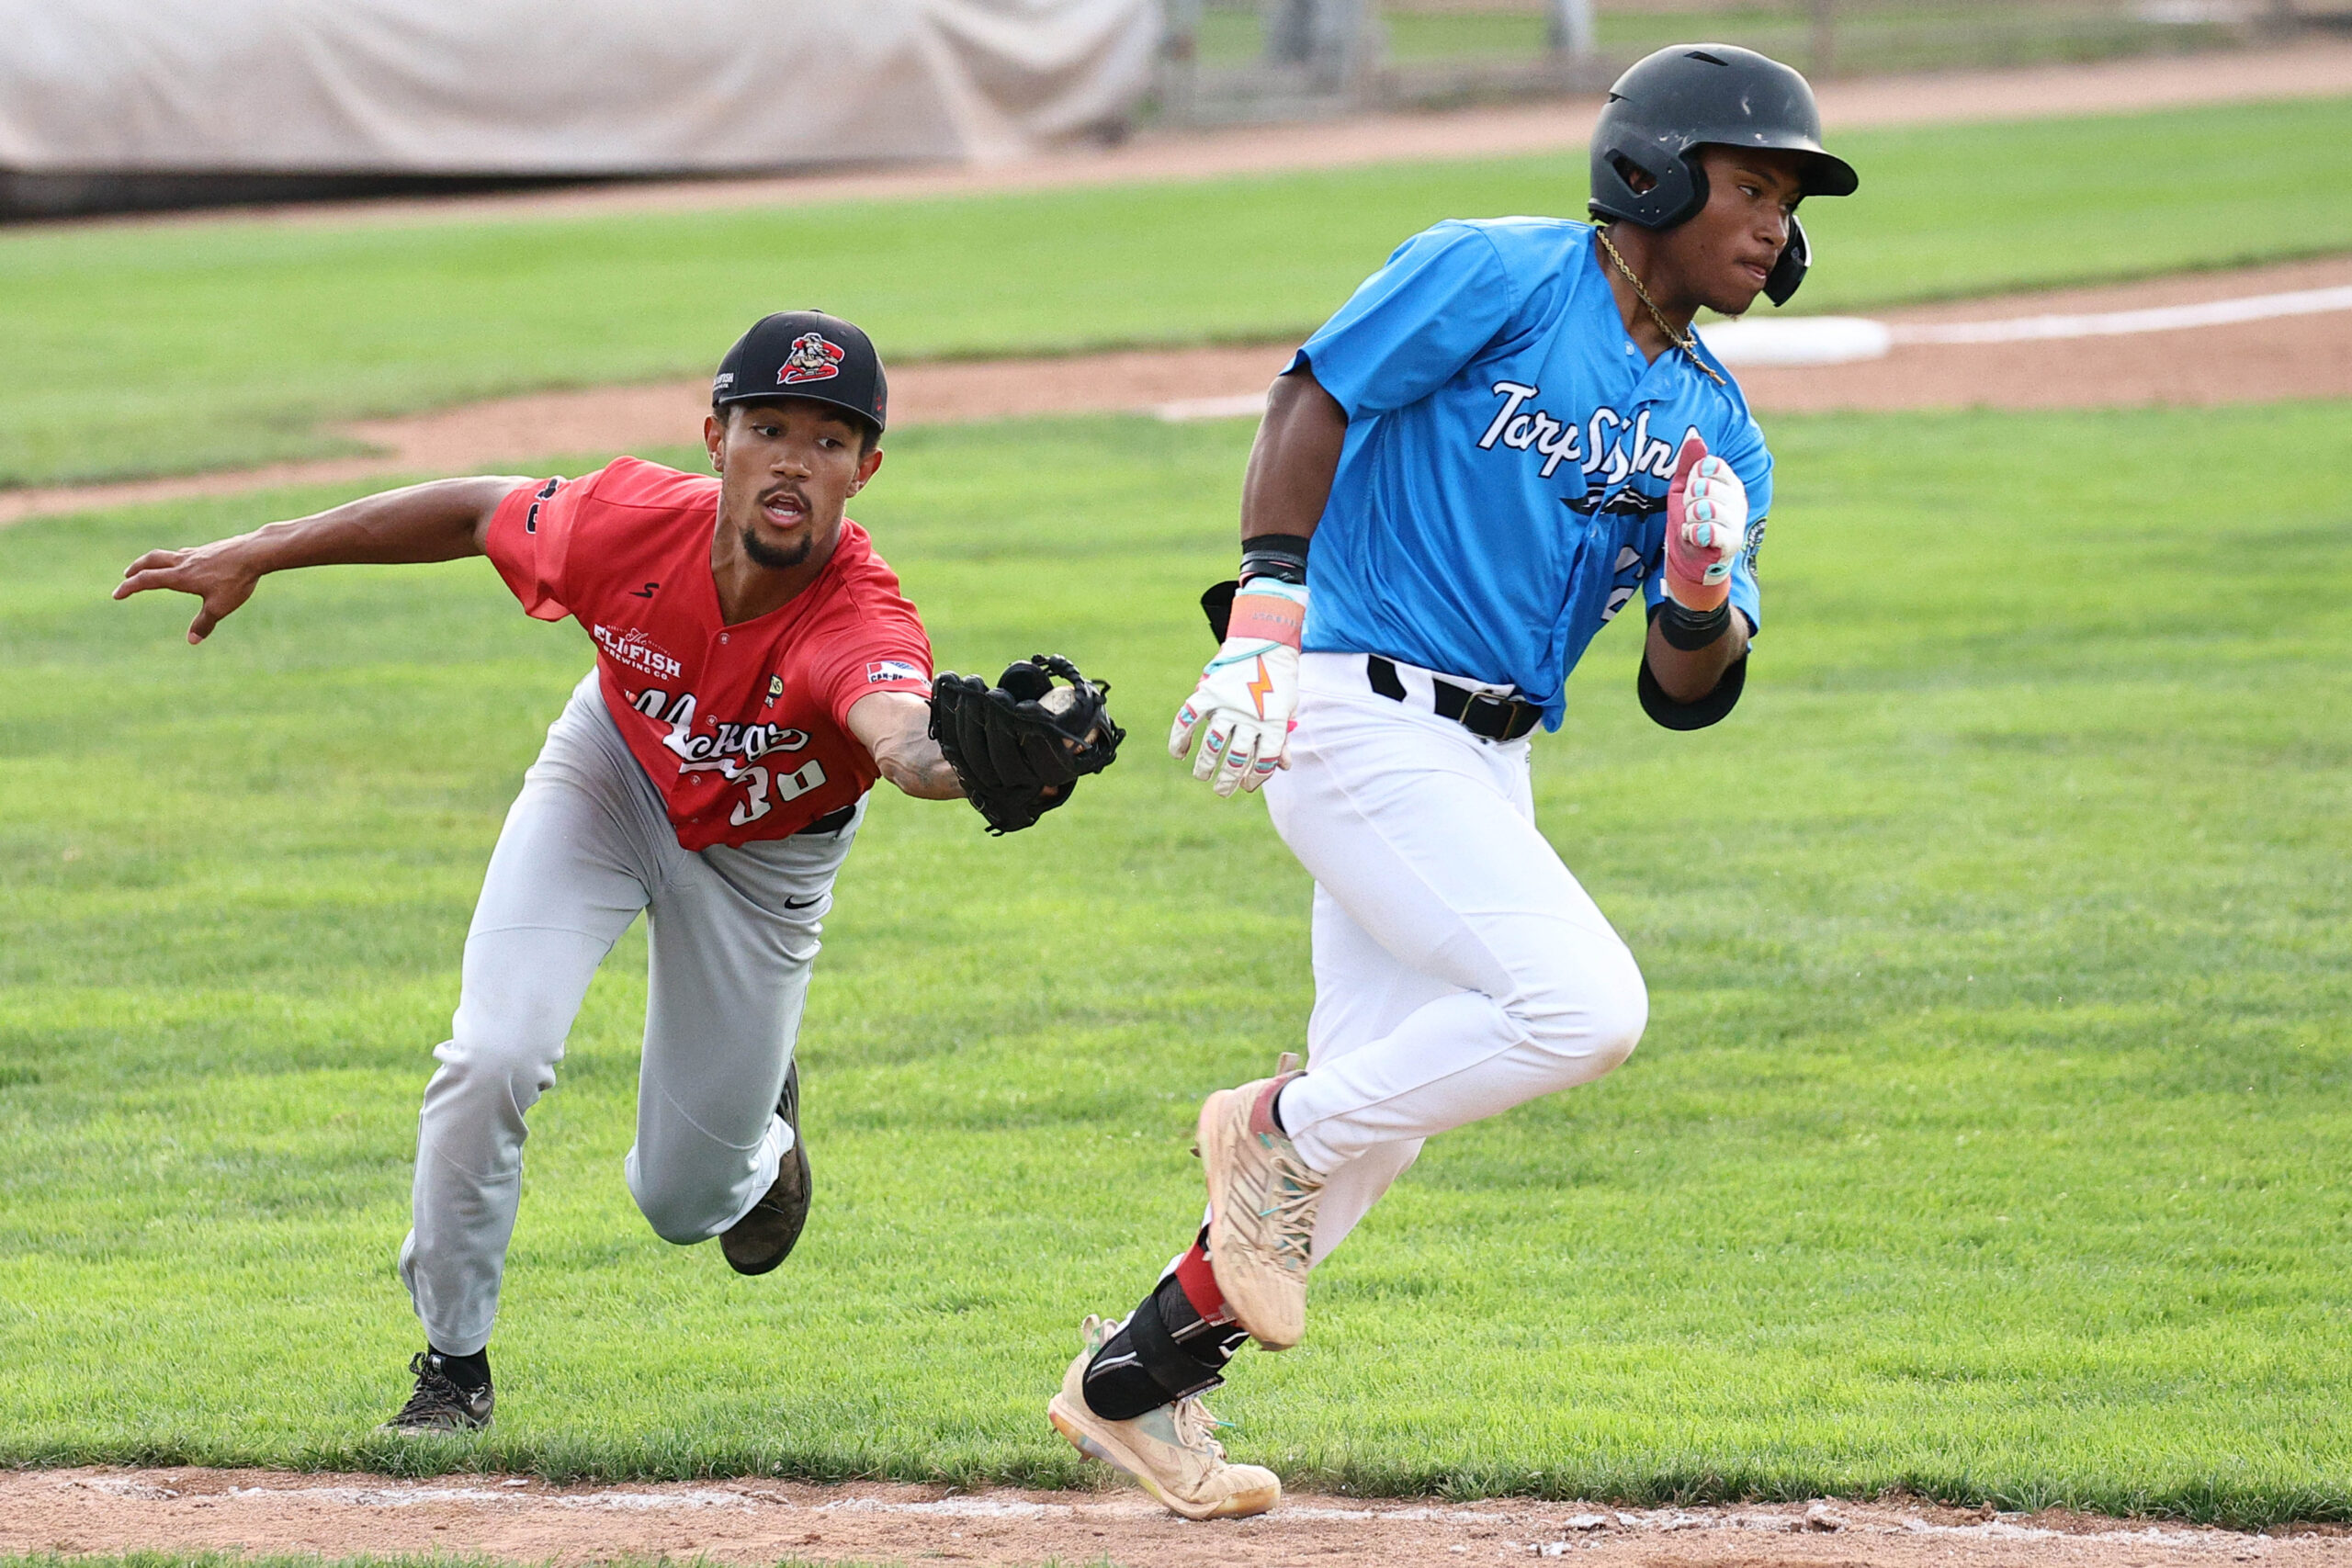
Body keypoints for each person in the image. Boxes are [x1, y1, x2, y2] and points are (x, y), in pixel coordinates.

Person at [1043, 45, 1858, 1519]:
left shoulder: (1721, 427)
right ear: (1650, 177)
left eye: (1786, 202)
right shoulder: (1496, 272)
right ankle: (1271, 1125)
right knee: (1583, 1007)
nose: (1771, 225)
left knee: (1390, 1109)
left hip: (1490, 759)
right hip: (1356, 714)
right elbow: (1313, 399)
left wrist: (1694, 590)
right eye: (1747, 185)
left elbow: (1690, 693)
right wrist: (1264, 631)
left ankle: (1136, 1378)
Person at [115, 311, 1043, 1433]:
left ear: (867, 469)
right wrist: (262, 547)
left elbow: (899, 738)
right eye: (769, 425)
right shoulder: (624, 523)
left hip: (764, 858)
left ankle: (764, 1142)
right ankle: (453, 1364)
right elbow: (467, 510)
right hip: (609, 777)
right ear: (716, 436)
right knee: (490, 1053)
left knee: (683, 1204)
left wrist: (979, 763)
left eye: (831, 439)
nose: (795, 457)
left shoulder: (859, 612)